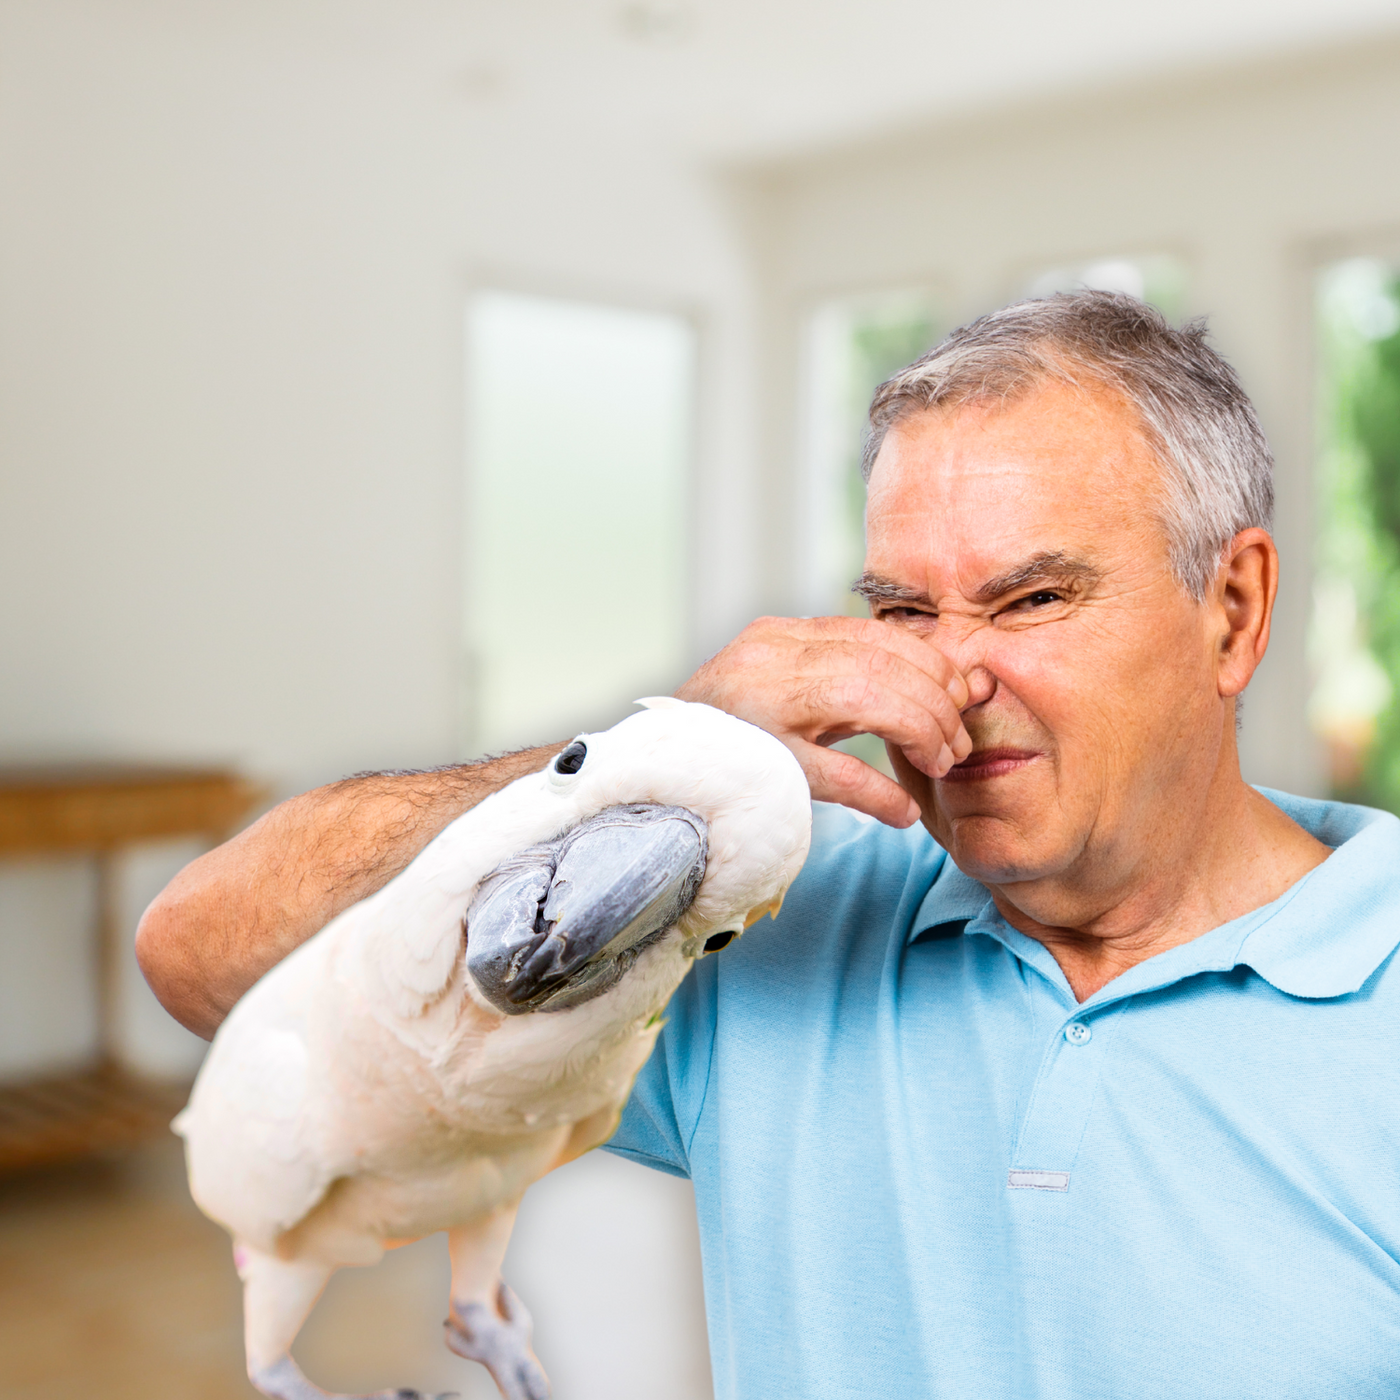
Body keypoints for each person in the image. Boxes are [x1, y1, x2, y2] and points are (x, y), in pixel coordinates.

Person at [138, 291, 1400, 1399]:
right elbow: (202, 952)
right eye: (901, 609)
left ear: (1231, 610)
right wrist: (650, 758)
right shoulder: (757, 911)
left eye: (1030, 598)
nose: (950, 677)